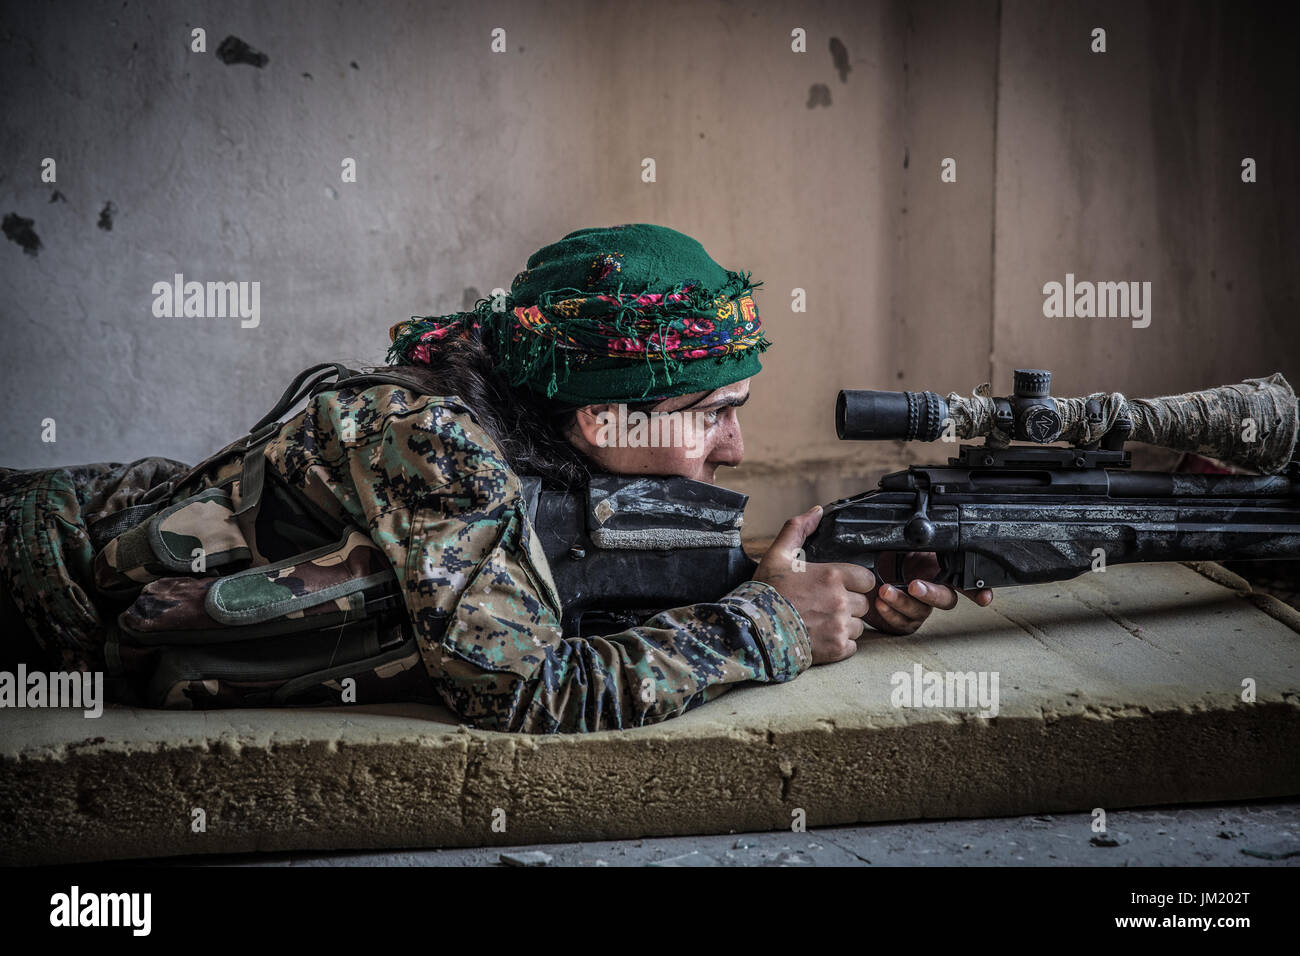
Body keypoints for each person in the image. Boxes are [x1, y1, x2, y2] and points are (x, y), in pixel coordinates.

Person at [0, 224, 991, 732]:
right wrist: (771, 625)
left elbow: (564, 574)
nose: (733, 446)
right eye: (711, 413)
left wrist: (805, 580)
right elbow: (520, 690)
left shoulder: (529, 417)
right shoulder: (438, 449)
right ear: (605, 415)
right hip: (28, 579)